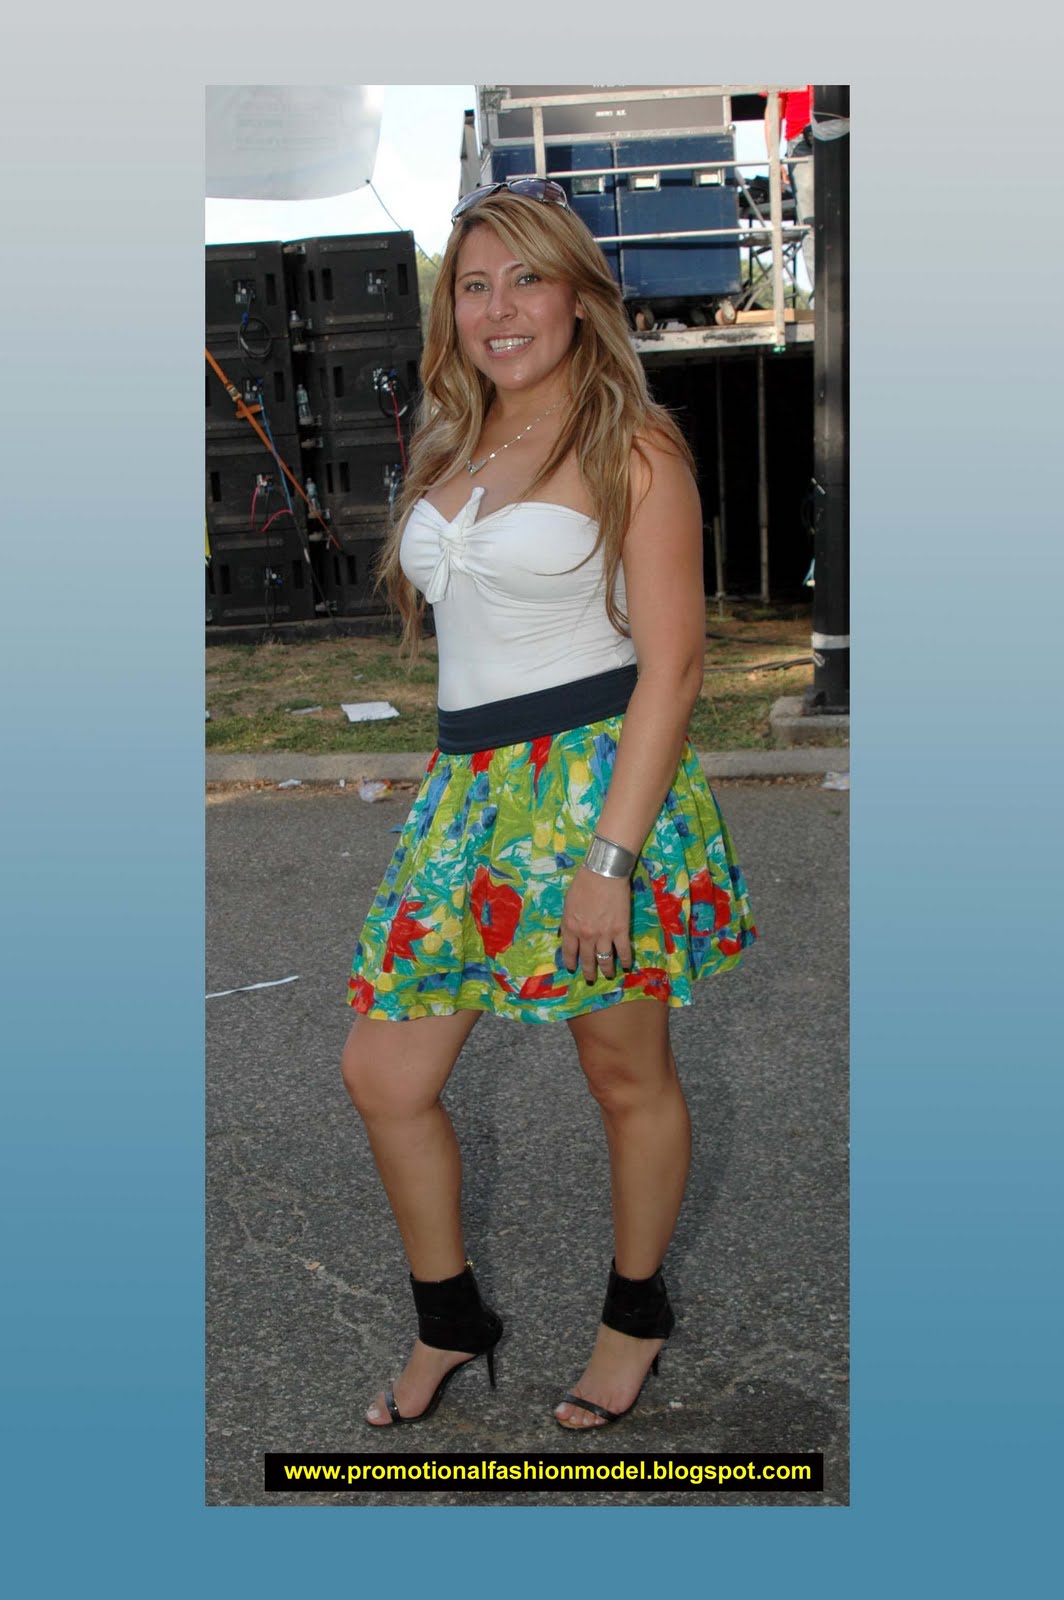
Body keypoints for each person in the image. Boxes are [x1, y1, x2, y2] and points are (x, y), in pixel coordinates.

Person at [339, 177, 758, 1431]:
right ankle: (451, 1319)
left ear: (578, 296)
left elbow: (674, 667)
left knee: (621, 1073)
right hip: (467, 792)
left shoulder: (633, 444)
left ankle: (635, 1311)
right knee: (383, 1073)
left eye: (526, 278)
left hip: (591, 794)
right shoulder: (453, 440)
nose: (498, 307)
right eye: (474, 284)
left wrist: (611, 858)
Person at [763, 86, 815, 292]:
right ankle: (823, 299)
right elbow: (774, 105)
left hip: (841, 131)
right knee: (811, 222)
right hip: (801, 138)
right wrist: (773, 159)